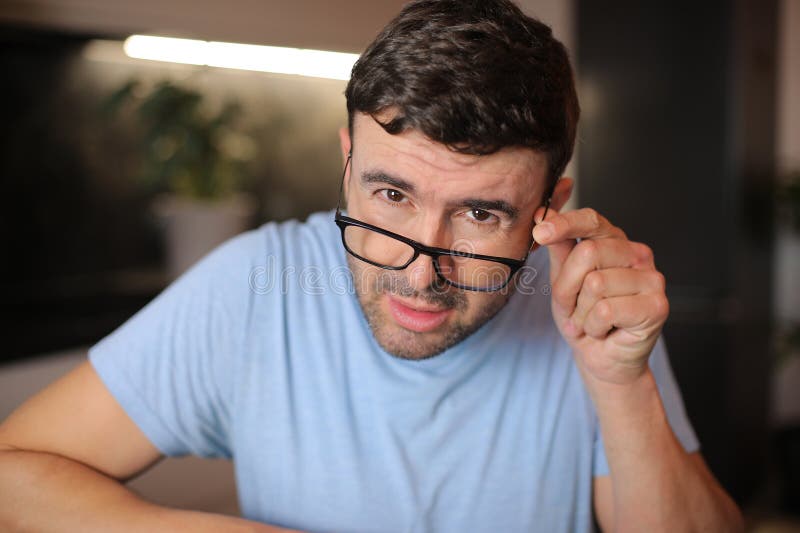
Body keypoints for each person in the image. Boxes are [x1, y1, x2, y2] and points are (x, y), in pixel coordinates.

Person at [0, 1, 744, 531]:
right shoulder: (257, 288)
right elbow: (12, 471)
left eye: (481, 214)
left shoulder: (589, 312)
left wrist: (622, 382)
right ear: (347, 161)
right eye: (391, 194)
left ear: (549, 207)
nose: (421, 275)